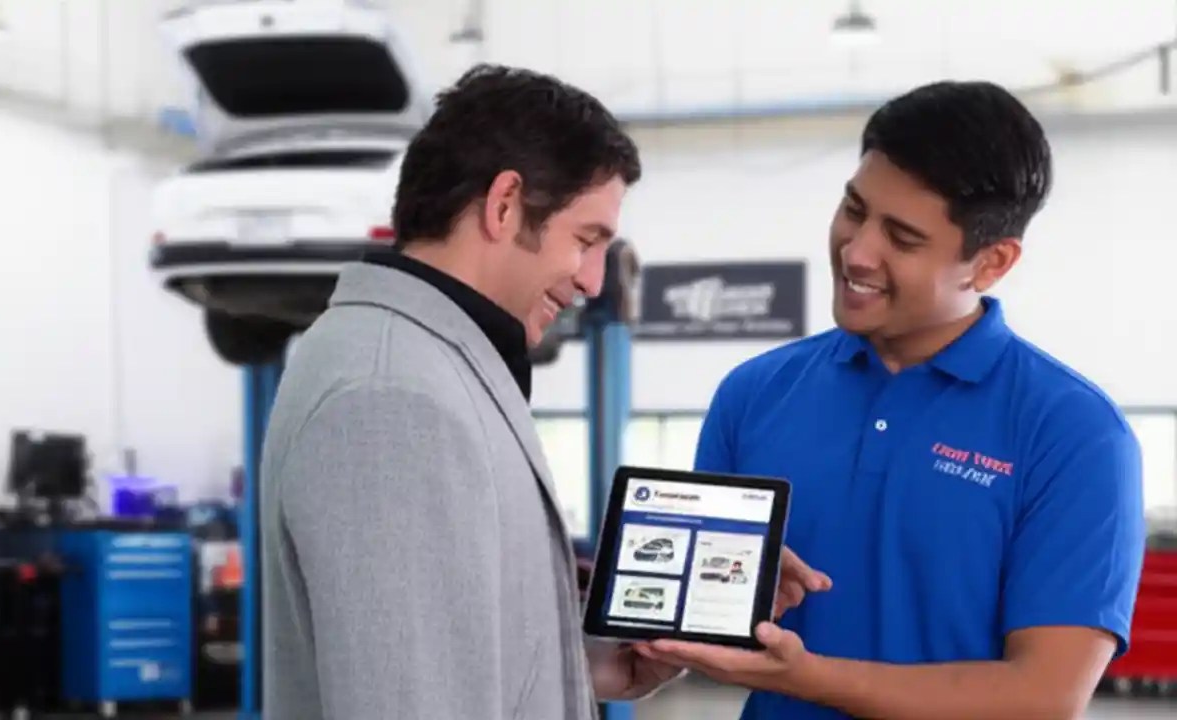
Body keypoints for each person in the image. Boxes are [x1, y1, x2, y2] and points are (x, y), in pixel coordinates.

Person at [637, 81, 1147, 719]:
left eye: (901, 239)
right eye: (854, 210)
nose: (856, 252)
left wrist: (810, 677)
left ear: (990, 263)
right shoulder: (755, 394)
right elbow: (687, 616)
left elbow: (1042, 698)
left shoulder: (1073, 434)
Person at [259, 63, 709, 720]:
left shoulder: (430, 365)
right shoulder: (391, 399)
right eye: (586, 241)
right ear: (504, 205)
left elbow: (433, 653)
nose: (590, 281)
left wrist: (590, 665)